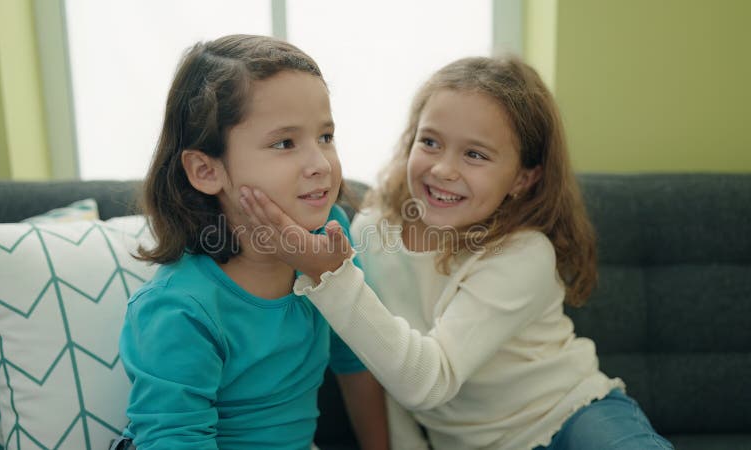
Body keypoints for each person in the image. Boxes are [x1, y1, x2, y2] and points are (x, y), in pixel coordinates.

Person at [238, 56, 674, 449]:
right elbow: (382, 363)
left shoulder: (525, 253)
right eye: (430, 142)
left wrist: (329, 275)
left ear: (524, 178)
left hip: (572, 416)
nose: (444, 169)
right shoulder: (371, 234)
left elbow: (429, 381)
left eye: (475, 154)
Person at [114, 34, 389, 450]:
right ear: (206, 171)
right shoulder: (179, 309)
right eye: (284, 143)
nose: (320, 165)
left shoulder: (328, 237)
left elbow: (356, 358)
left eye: (326, 137)